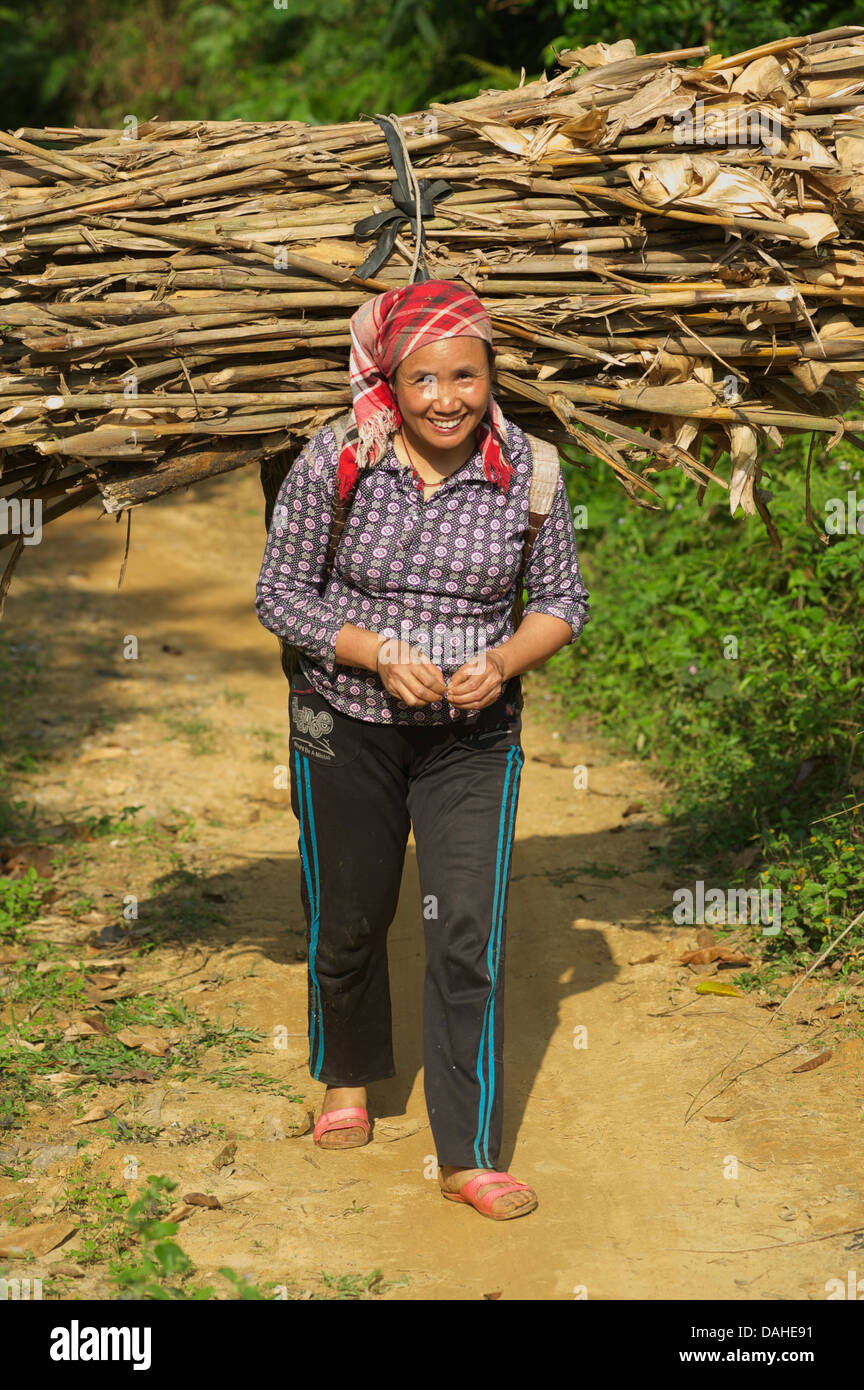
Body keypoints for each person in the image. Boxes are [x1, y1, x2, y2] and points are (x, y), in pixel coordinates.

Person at [256, 278, 590, 1220]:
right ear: (389, 383)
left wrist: (501, 661)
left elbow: (563, 602)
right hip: (343, 718)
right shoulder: (339, 457)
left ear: (492, 375)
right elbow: (281, 596)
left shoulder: (532, 471)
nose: (447, 398)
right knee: (352, 912)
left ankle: (468, 1154)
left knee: (465, 931)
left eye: (466, 376)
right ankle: (348, 1076)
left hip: (471, 735)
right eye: (423, 380)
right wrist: (373, 651)